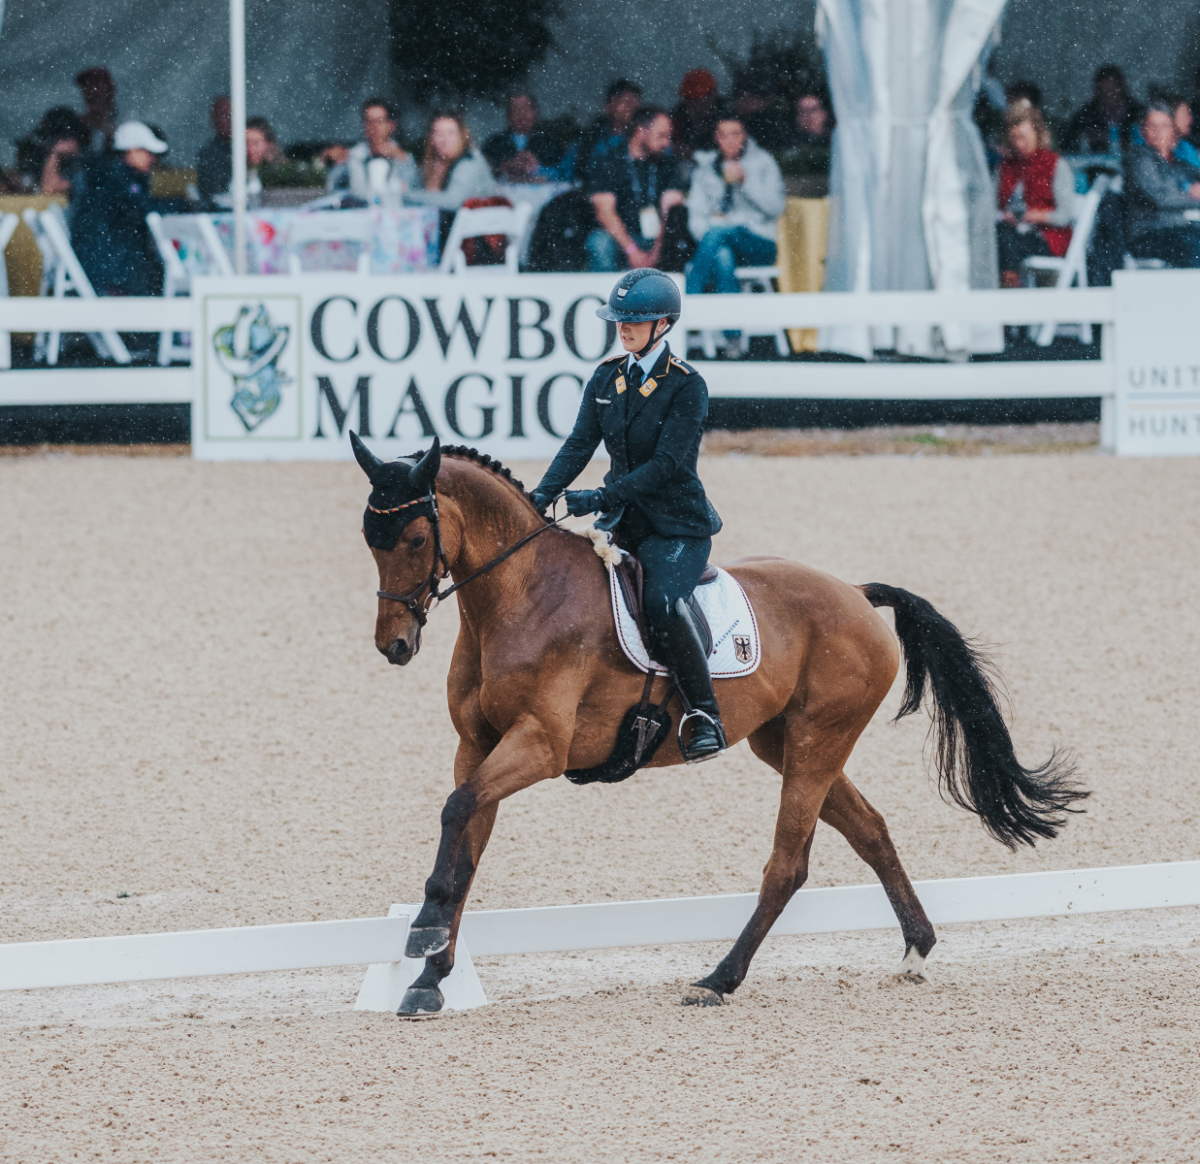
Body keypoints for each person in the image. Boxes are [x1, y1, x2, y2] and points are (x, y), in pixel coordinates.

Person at [529, 269, 726, 763]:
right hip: (624, 524)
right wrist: (539, 496)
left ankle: (704, 714)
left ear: (663, 324)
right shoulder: (607, 376)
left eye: (635, 321)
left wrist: (596, 497)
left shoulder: (687, 386)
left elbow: (665, 467)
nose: (624, 328)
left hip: (675, 525)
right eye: (619, 320)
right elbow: (579, 444)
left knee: (660, 603)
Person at [68, 121, 188, 296]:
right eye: (149, 153)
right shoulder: (116, 176)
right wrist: (183, 204)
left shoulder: (113, 173)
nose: (154, 160)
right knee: (157, 270)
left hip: (105, 257)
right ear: (133, 150)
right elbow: (144, 209)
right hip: (109, 265)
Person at [686, 109, 784, 299]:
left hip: (758, 242)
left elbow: (777, 208)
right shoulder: (705, 168)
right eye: (724, 135)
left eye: (735, 134)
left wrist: (747, 182)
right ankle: (732, 328)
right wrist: (710, 240)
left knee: (719, 231)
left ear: (744, 135)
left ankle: (690, 299)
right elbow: (696, 216)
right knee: (722, 254)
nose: (730, 141)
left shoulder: (763, 162)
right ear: (716, 138)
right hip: (718, 244)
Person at [587, 106, 685, 271]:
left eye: (668, 136)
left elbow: (672, 211)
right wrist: (632, 251)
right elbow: (604, 212)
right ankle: (608, 295)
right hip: (622, 239)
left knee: (679, 240)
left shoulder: (668, 164)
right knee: (599, 241)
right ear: (640, 131)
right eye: (661, 136)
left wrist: (656, 251)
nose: (667, 143)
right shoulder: (609, 161)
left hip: (658, 239)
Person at [995, 100, 1076, 288]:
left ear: (1036, 133)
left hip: (1045, 236)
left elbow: (1065, 215)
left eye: (1023, 137)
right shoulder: (1005, 167)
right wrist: (1005, 216)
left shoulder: (1055, 164)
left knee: (1004, 240)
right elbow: (991, 208)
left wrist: (1038, 215)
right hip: (1011, 231)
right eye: (1014, 138)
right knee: (1000, 235)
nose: (1019, 144)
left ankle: (1009, 291)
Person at [1124, 101, 1200, 269]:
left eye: (1164, 126)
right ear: (1143, 131)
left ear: (1173, 130)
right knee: (1192, 244)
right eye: (1152, 126)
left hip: (1179, 229)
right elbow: (1161, 199)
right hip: (1149, 233)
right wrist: (1193, 197)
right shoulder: (1141, 159)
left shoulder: (1175, 163)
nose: (1158, 132)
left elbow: (1193, 175)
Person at [327, 97, 419, 206]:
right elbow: (333, 187)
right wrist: (333, 161)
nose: (374, 127)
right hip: (359, 217)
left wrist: (402, 159)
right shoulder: (353, 156)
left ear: (391, 125)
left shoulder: (404, 158)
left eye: (380, 121)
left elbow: (412, 194)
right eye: (369, 121)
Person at [404, 109, 496, 212]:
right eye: (438, 133)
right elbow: (419, 188)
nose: (444, 140)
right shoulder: (437, 162)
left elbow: (451, 202)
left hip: (478, 225)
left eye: (451, 133)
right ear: (431, 137)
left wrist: (406, 195)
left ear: (462, 135)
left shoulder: (469, 162)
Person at [482, 93, 566, 182]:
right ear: (508, 116)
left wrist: (537, 168)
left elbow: (563, 174)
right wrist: (502, 168)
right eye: (516, 110)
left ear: (535, 113)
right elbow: (482, 173)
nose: (522, 115)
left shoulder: (549, 142)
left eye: (526, 109)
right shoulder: (494, 144)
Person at [578, 79, 642, 190]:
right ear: (609, 105)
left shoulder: (640, 139)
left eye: (635, 104)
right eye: (627, 102)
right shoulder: (592, 136)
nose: (631, 108)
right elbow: (567, 170)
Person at [1064, 65, 1142, 155]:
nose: (1109, 96)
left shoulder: (1137, 112)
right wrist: (1087, 139)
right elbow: (1068, 142)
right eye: (1105, 91)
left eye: (1113, 91)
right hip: (1096, 164)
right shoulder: (1086, 114)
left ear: (1122, 89)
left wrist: (1112, 139)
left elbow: (1144, 143)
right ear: (1097, 91)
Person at [671, 68, 720, 162]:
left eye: (697, 98)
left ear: (712, 95)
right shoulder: (677, 118)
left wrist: (694, 154)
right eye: (688, 98)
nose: (692, 103)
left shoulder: (726, 116)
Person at [197, 96, 232, 206]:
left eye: (229, 114)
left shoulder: (248, 146)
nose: (224, 119)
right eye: (220, 114)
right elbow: (211, 192)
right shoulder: (209, 153)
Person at [75, 66, 117, 153]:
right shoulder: (76, 121)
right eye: (86, 87)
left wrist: (108, 129)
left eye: (96, 85)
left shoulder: (125, 117)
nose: (91, 91)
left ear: (109, 89)